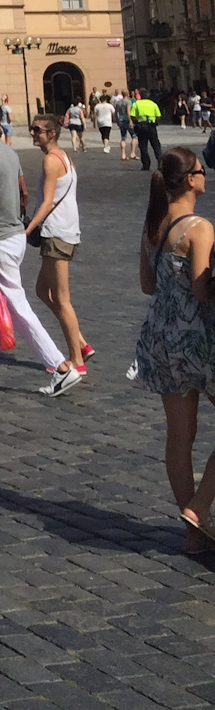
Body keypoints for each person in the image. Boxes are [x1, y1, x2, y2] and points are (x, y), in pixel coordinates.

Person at [0, 102, 80, 395]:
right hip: (15, 234)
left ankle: (59, 366)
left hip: (1, 239)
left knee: (16, 304)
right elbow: (24, 191)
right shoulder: (9, 152)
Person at [135, 147, 215, 548]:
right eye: (202, 170)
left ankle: (193, 534)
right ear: (189, 180)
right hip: (198, 339)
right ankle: (199, 508)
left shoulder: (154, 223)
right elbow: (203, 291)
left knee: (179, 435)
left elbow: (148, 286)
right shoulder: (200, 228)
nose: (206, 174)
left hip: (162, 340)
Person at [26, 115, 93, 379]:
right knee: (43, 290)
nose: (33, 133)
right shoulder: (63, 156)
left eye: (38, 130)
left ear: (52, 133)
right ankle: (81, 343)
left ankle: (77, 359)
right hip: (64, 231)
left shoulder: (51, 160)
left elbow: (47, 202)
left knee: (62, 299)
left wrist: (28, 229)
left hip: (57, 233)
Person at [131, 88, 163, 173]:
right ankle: (160, 164)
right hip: (152, 126)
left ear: (140, 95)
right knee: (156, 145)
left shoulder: (136, 104)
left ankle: (146, 165)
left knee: (143, 146)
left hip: (141, 127)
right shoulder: (153, 104)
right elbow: (158, 115)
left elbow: (132, 115)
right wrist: (155, 121)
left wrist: (136, 122)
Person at [116, 91, 137, 162]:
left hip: (121, 120)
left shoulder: (118, 102)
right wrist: (130, 120)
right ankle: (133, 153)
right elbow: (128, 112)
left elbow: (116, 112)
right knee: (133, 136)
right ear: (128, 94)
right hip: (127, 120)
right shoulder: (128, 102)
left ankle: (123, 154)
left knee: (123, 137)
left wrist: (117, 120)